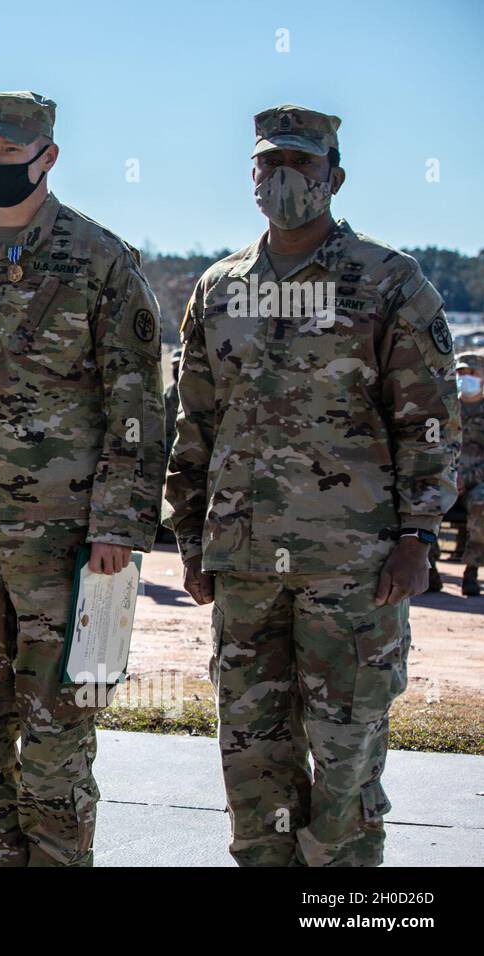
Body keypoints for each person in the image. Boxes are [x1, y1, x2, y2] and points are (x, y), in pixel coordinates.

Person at [167, 105, 460, 866]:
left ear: (334, 176)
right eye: (269, 165)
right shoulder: (220, 287)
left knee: (345, 759)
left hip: (353, 568)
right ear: (251, 178)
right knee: (252, 758)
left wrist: (418, 536)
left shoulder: (388, 281)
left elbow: (428, 421)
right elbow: (195, 423)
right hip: (244, 565)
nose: (283, 179)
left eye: (300, 165)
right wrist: (189, 538)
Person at [0, 92, 166, 866]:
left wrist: (119, 525)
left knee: (57, 737)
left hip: (70, 542)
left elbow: (137, 404)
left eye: (7, 153)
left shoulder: (100, 260)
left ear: (46, 157)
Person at [455, 351, 484, 596]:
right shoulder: (446, 409)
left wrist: (468, 478)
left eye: (472, 373)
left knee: (482, 501)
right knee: (424, 496)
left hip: (478, 481)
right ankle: (428, 571)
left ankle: (471, 571)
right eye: (461, 372)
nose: (466, 378)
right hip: (446, 476)